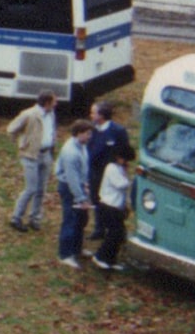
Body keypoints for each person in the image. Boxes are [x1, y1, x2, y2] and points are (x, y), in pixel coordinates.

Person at [5, 90, 57, 231]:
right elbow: (11, 129)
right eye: (54, 101)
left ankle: (35, 218)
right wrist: (22, 144)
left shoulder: (51, 114)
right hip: (30, 156)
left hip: (46, 154)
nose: (56, 104)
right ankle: (16, 218)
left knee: (41, 189)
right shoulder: (29, 114)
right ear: (47, 103)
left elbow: (51, 131)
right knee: (31, 189)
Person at [86, 101, 132, 241]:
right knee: (96, 199)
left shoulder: (117, 131)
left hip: (112, 173)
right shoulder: (92, 130)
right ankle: (99, 228)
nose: (91, 115)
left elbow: (125, 151)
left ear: (101, 115)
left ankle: (117, 229)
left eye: (93, 112)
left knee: (113, 201)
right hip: (95, 172)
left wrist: (123, 169)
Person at [53, 119, 95, 269]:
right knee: (70, 220)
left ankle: (77, 249)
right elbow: (72, 179)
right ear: (79, 133)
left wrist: (86, 186)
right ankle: (65, 254)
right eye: (88, 133)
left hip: (80, 186)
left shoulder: (81, 146)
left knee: (81, 220)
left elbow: (82, 171)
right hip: (70, 189)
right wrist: (81, 198)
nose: (90, 136)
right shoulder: (71, 152)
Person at [92, 141, 135, 272]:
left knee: (119, 234)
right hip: (108, 206)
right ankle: (100, 256)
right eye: (124, 159)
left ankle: (111, 259)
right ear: (118, 157)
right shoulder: (111, 168)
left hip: (117, 207)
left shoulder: (120, 169)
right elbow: (121, 184)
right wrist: (130, 179)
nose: (125, 162)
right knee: (113, 234)